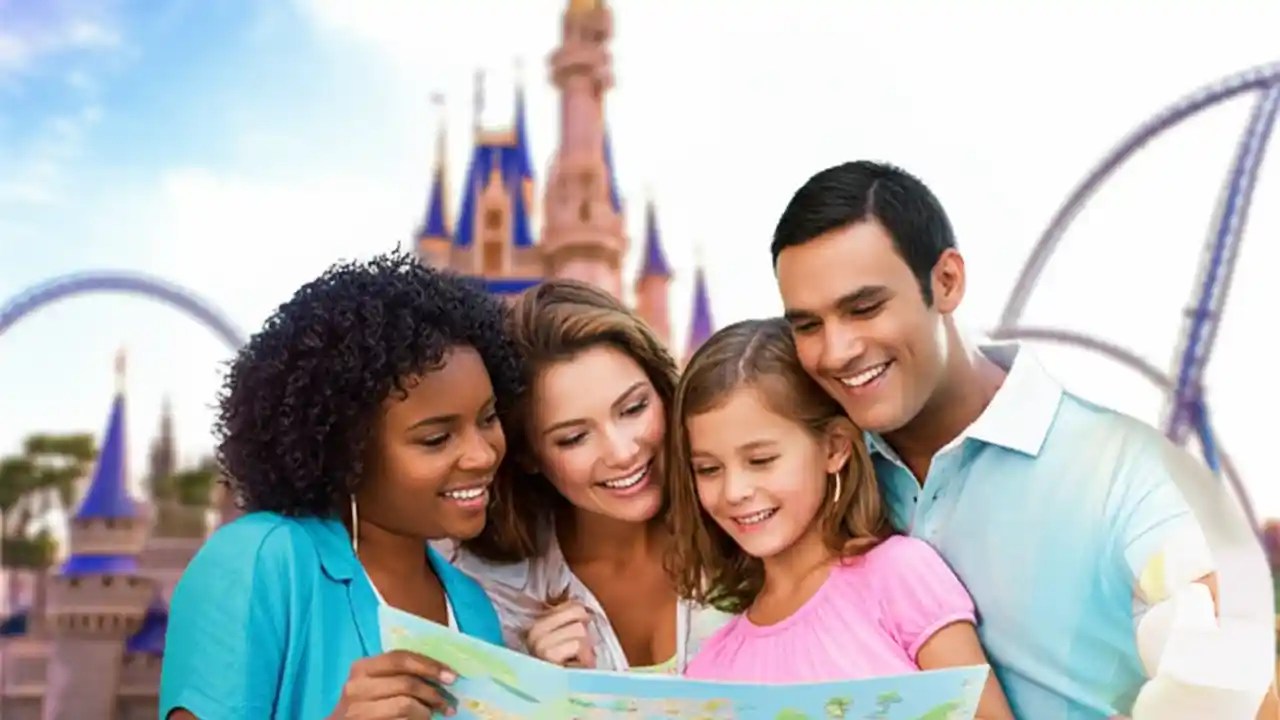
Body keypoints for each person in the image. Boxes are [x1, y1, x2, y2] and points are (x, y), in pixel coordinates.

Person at [770, 160, 1276, 719]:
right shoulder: (820, 475)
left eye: (864, 308)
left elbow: (1246, 687)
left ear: (946, 281)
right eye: (808, 326)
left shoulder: (1119, 467)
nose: (836, 351)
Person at [159, 251, 524, 720]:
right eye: (436, 438)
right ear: (345, 450)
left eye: (489, 418)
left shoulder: (473, 608)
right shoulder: (261, 563)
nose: (483, 454)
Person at [667, 318, 1014, 719]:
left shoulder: (896, 577)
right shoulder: (709, 670)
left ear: (834, 448)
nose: (734, 491)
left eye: (761, 461)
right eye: (709, 469)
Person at [446, 279, 731, 673]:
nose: (622, 452)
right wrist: (544, 694)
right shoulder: (493, 594)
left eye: (633, 408)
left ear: (663, 392)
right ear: (528, 454)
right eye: (575, 437)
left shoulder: (745, 528)